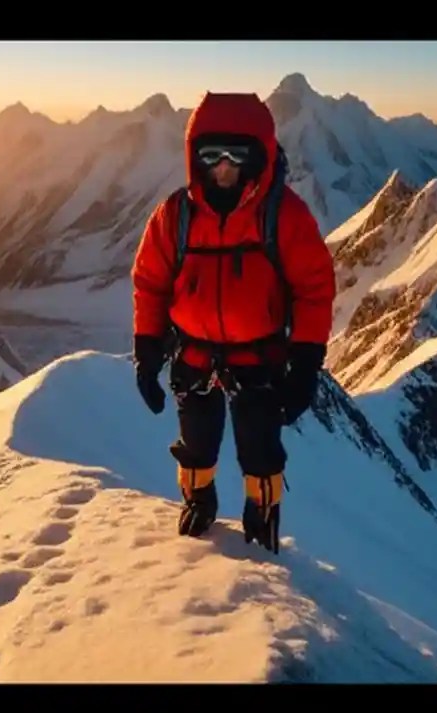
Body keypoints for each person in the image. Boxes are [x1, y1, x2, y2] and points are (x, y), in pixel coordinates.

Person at [129, 90, 336, 554]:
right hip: (194, 353)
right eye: (211, 156)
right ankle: (198, 500)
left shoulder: (283, 216)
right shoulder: (174, 217)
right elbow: (151, 283)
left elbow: (314, 289)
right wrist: (146, 349)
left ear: (258, 158)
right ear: (194, 157)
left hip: (259, 357)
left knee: (260, 450)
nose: (223, 168)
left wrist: (305, 363)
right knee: (196, 443)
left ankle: (262, 516)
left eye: (236, 157)